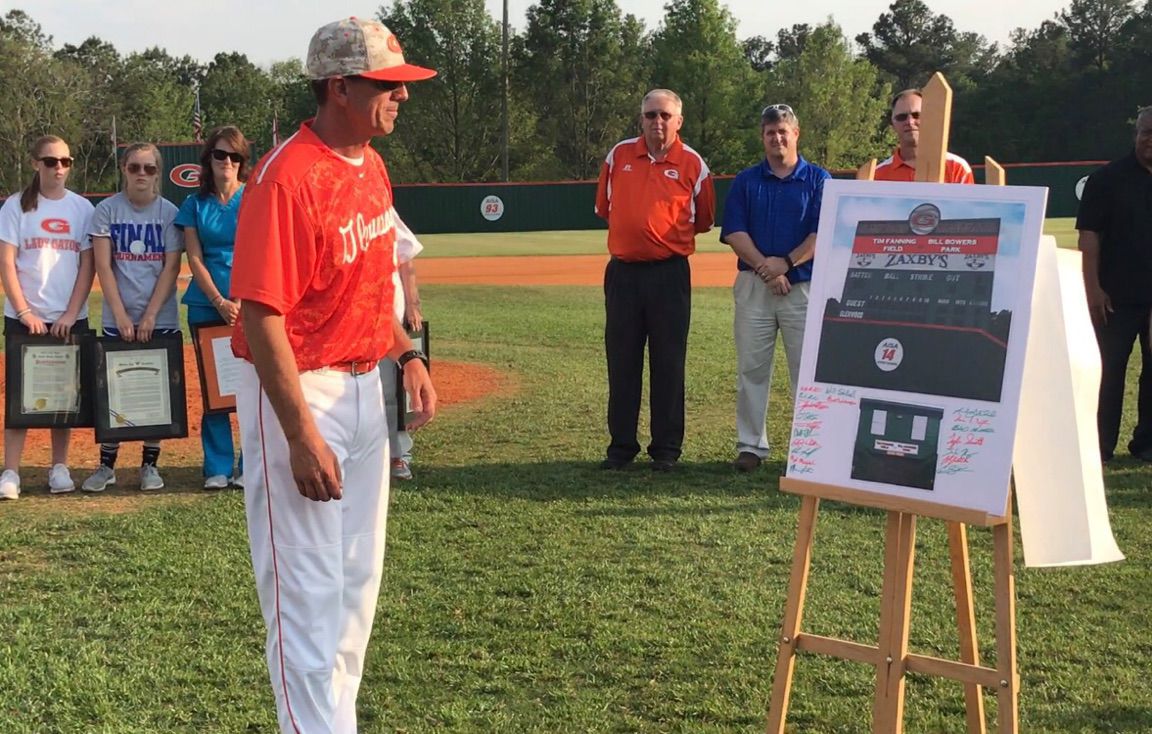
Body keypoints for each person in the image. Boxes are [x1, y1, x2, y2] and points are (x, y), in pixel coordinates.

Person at [228, 18, 437, 733]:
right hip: (300, 389)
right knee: (307, 599)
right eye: (387, 84)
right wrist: (300, 434)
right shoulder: (286, 176)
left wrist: (406, 353)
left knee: (354, 592)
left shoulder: (371, 165)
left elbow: (371, 288)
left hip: (363, 389)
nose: (400, 97)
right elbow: (261, 316)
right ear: (340, 87)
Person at [594, 88, 715, 472]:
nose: (656, 122)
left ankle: (666, 449)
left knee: (668, 362)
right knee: (622, 359)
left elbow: (704, 221)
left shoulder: (694, 164)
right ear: (641, 119)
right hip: (624, 274)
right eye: (650, 115)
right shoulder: (619, 156)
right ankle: (621, 447)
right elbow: (604, 208)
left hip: (669, 274)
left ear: (678, 121)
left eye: (664, 115)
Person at [722, 104, 830, 472]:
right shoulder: (747, 180)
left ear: (796, 134)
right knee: (752, 368)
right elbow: (735, 232)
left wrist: (785, 262)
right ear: (763, 137)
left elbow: (821, 232)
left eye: (783, 130)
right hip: (755, 285)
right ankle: (751, 446)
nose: (777, 137)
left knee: (807, 371)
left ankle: (807, 450)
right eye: (770, 132)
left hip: (802, 286)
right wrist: (768, 270)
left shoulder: (818, 179)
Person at [81, 143, 182, 492]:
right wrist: (122, 315)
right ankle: (107, 465)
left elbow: (171, 266)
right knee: (115, 389)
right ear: (124, 169)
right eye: (135, 167)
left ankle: (149, 465)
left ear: (157, 173)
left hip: (161, 315)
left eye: (149, 168)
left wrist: (151, 314)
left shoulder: (169, 213)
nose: (142, 174)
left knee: (155, 390)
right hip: (117, 316)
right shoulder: (107, 210)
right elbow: (104, 267)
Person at [0, 136, 95, 500]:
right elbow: (7, 262)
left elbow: (88, 264)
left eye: (66, 161)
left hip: (68, 318)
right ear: (35, 164)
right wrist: (24, 311)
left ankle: (59, 467)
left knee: (63, 395)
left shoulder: (82, 208)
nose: (59, 168)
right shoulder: (15, 207)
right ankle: (11, 471)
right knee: (19, 396)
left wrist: (71, 312)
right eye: (51, 161)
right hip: (25, 318)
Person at [1077, 106, 1152, 462]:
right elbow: (1089, 238)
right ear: (1135, 135)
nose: (1151, 140)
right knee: (1106, 373)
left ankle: (1147, 444)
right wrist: (1091, 288)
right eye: (1146, 133)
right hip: (1114, 296)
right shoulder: (1107, 179)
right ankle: (1098, 445)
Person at [175, 125, 248, 490]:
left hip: (249, 304)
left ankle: (249, 465)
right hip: (205, 306)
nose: (228, 162)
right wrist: (219, 301)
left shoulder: (253, 198)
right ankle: (217, 466)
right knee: (215, 388)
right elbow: (195, 256)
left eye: (234, 156)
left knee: (250, 386)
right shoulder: (194, 204)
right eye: (220, 155)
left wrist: (238, 300)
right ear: (209, 160)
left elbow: (258, 250)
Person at [381, 212, 424, 481]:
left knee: (393, 392)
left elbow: (405, 256)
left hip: (390, 319)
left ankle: (398, 454)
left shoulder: (381, 205)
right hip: (351, 322)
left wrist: (412, 304)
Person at [874, 88, 975, 184]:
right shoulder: (877, 174)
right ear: (892, 124)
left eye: (917, 115)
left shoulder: (956, 167)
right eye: (901, 117)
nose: (909, 122)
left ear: (930, 119)